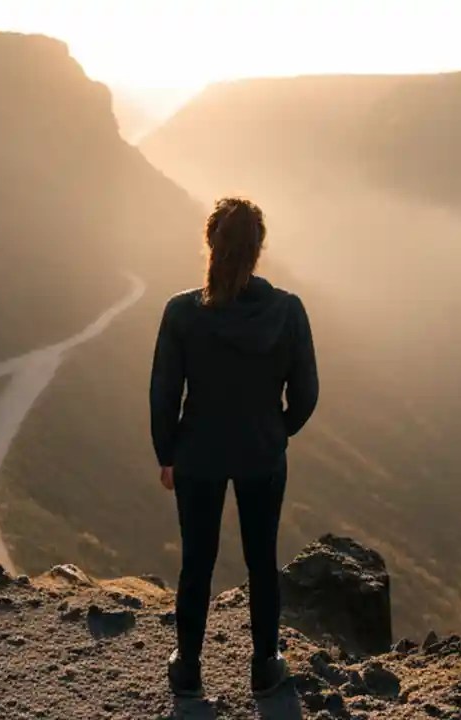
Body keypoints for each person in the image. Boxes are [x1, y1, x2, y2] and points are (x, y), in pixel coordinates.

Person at [149, 197, 319, 699]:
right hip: (261, 455)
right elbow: (306, 394)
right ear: (259, 249)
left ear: (210, 243)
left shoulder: (181, 312)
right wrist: (275, 430)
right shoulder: (287, 311)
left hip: (198, 454)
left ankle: (188, 669)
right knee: (262, 560)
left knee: (196, 561)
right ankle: (265, 665)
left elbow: (164, 392)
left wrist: (168, 454)